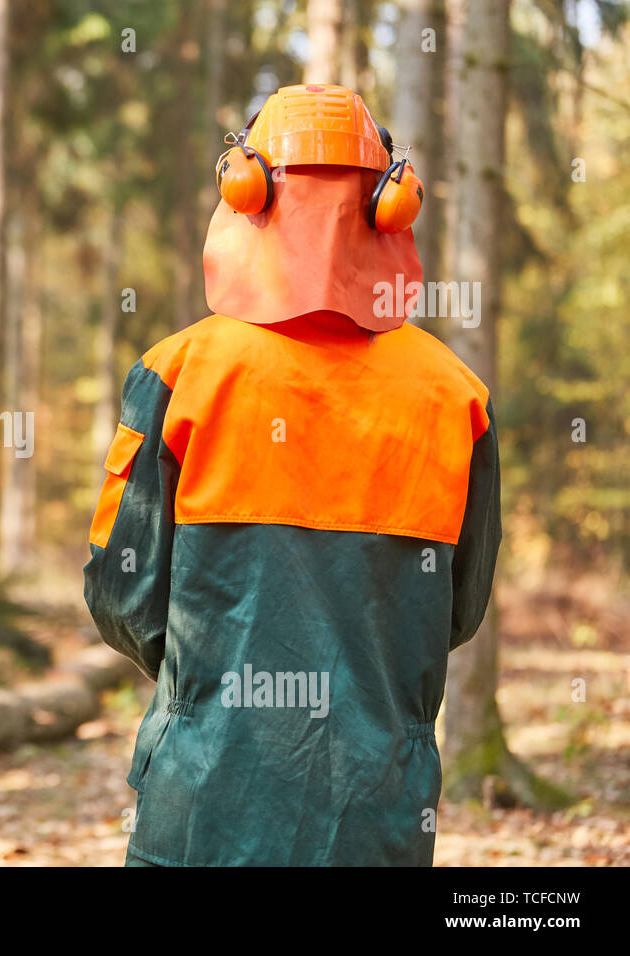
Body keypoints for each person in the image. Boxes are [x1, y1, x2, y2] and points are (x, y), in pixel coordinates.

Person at [83, 84, 501, 866]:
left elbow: (122, 599)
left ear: (248, 192)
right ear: (389, 206)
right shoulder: (455, 396)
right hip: (378, 815)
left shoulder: (177, 374)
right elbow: (459, 609)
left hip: (200, 810)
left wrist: (205, 690)